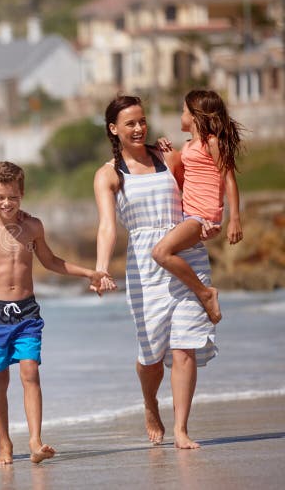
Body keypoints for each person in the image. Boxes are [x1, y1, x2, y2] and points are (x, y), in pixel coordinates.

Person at [0, 161, 107, 465]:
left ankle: (35, 441)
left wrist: (88, 273)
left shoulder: (33, 227)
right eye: (0, 197)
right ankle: (4, 445)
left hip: (26, 312)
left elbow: (51, 261)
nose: (6, 203)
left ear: (22, 194)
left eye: (12, 197)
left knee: (30, 372)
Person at [93, 95, 219, 449]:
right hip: (144, 267)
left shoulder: (169, 157)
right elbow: (107, 226)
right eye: (130, 123)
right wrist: (101, 269)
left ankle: (181, 429)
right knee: (151, 358)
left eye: (142, 121)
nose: (138, 128)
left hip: (185, 255)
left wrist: (206, 223)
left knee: (184, 347)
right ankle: (150, 403)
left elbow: (197, 196)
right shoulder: (108, 175)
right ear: (113, 129)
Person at [152, 89, 244, 324]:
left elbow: (229, 179)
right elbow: (184, 178)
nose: (180, 115)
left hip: (202, 215)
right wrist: (164, 148)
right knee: (162, 252)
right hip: (188, 213)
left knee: (160, 253)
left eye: (183, 110)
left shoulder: (212, 142)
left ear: (195, 115)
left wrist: (234, 218)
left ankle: (205, 293)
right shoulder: (189, 145)